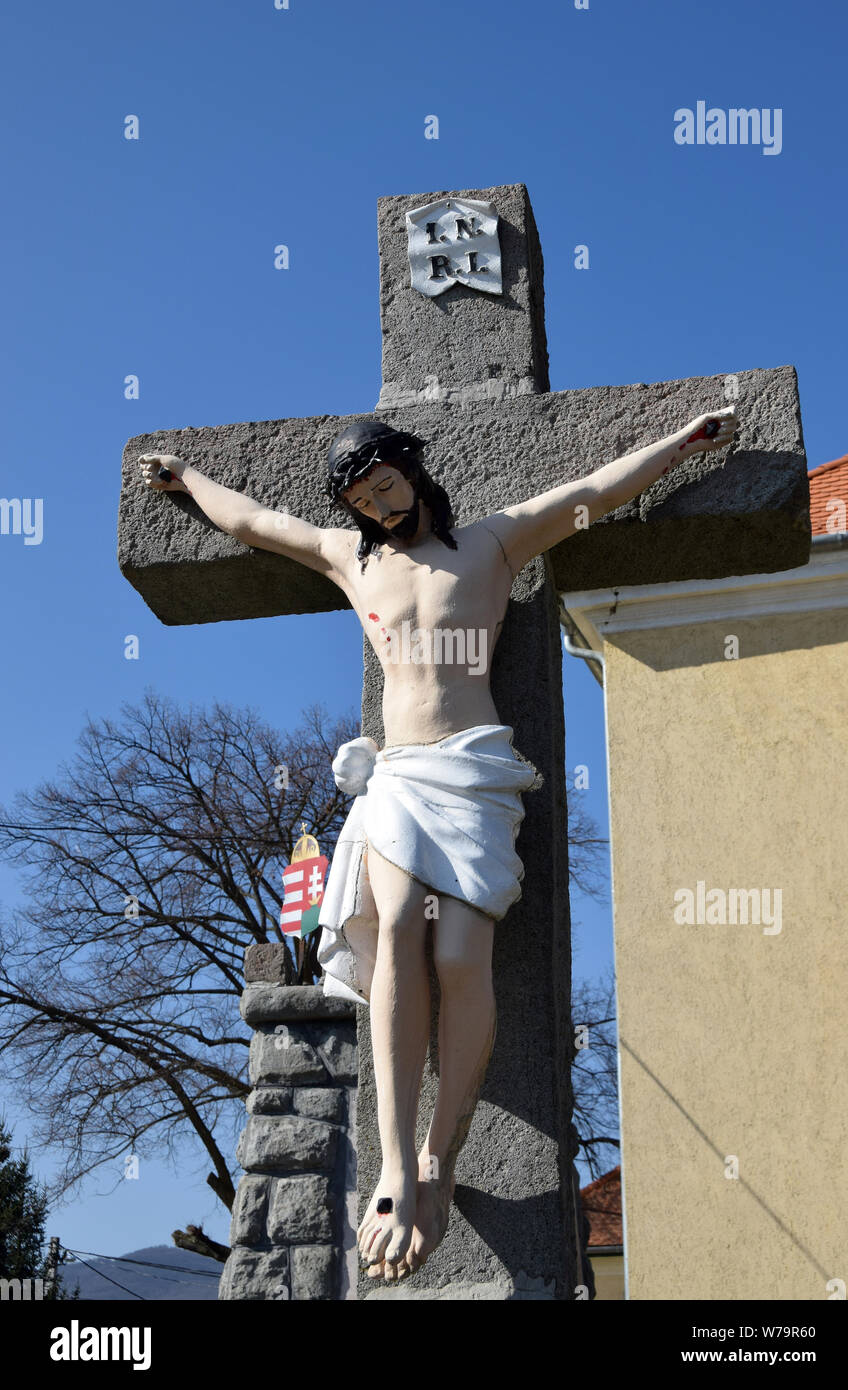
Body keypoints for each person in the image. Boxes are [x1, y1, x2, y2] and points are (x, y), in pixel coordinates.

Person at [139, 405, 738, 1282]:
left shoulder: (492, 545)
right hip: (401, 779)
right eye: (365, 501)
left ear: (412, 469)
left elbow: (589, 493)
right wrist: (189, 481)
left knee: (463, 958)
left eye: (387, 486)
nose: (382, 507)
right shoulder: (354, 561)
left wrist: (680, 445)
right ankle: (391, 1159)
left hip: (472, 773)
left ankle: (440, 1153)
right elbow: (260, 526)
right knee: (396, 951)